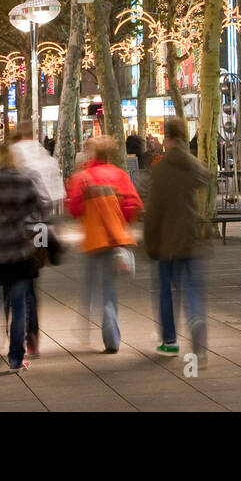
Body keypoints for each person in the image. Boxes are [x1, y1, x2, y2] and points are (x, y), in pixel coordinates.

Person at [66, 136, 143, 354]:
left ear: (92, 153)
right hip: (113, 239)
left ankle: (84, 323)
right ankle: (111, 338)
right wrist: (120, 221)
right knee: (108, 289)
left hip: (93, 240)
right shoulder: (119, 175)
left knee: (89, 285)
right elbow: (133, 204)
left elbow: (74, 208)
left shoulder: (83, 177)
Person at [0, 144, 48, 377]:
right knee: (19, 307)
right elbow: (40, 211)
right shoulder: (24, 182)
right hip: (18, 252)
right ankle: (16, 358)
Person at [143, 116, 209, 363]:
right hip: (190, 236)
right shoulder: (193, 165)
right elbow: (205, 179)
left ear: (167, 138)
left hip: (165, 240)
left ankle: (170, 341)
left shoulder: (160, 170)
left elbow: (153, 212)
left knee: (166, 290)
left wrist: (149, 243)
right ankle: (196, 322)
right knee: (191, 288)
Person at [11, 124, 65, 357]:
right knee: (32, 281)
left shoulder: (13, 156)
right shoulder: (46, 158)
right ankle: (32, 333)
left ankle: (17, 332)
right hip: (40, 229)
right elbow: (54, 199)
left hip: (15, 233)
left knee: (14, 284)